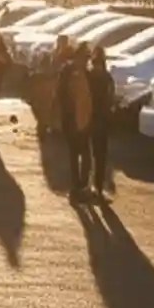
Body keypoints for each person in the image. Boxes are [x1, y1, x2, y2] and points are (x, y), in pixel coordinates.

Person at [57, 44, 95, 203]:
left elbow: (60, 94)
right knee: (82, 154)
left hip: (75, 119)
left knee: (77, 154)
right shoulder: (78, 73)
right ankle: (80, 187)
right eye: (86, 58)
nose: (87, 61)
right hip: (77, 119)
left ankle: (78, 187)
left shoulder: (69, 71)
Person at [88, 47, 117, 202]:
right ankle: (97, 188)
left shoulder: (88, 76)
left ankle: (88, 187)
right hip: (101, 120)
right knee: (100, 155)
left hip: (89, 119)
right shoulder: (106, 78)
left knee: (89, 154)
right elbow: (111, 98)